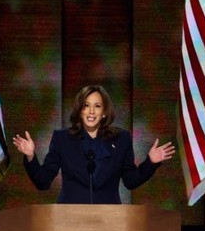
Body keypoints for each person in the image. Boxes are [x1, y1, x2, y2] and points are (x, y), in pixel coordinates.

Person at [12, 85, 176, 204]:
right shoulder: (62, 139)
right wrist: (31, 156)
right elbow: (43, 182)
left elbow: (130, 181)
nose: (91, 112)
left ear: (104, 112)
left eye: (97, 106)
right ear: (80, 110)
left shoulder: (121, 139)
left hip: (108, 220)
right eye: (86, 106)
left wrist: (151, 162)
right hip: (69, 220)